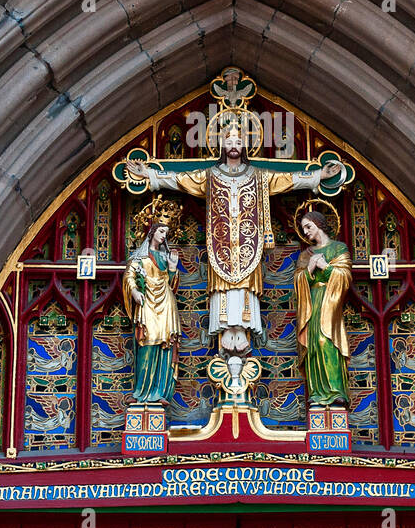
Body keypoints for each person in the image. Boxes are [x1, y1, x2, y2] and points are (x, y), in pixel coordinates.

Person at [128, 123, 341, 358]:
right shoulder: (211, 176)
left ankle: (241, 329)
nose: (233, 146)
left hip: (249, 244)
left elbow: (286, 180)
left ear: (245, 146)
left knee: (245, 287)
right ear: (222, 146)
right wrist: (150, 174)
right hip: (220, 245)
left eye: (238, 142)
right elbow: (181, 180)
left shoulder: (258, 177)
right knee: (223, 287)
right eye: (229, 142)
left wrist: (317, 176)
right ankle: (226, 329)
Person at [122, 198, 184, 405]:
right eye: (161, 231)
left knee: (165, 346)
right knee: (147, 343)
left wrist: (173, 268)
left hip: (166, 303)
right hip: (147, 301)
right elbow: (130, 275)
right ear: (152, 232)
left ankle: (159, 391)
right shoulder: (140, 257)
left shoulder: (166, 257)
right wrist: (133, 291)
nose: (164, 236)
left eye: (166, 233)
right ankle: (142, 392)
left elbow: (172, 285)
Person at [294, 209, 352, 409]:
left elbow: (345, 276)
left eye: (309, 227)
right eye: (303, 229)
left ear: (319, 224)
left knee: (327, 341)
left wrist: (325, 267)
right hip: (312, 302)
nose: (307, 232)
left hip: (330, 302)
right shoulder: (305, 254)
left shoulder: (338, 248)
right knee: (314, 344)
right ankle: (318, 393)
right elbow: (298, 280)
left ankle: (336, 392)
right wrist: (310, 268)